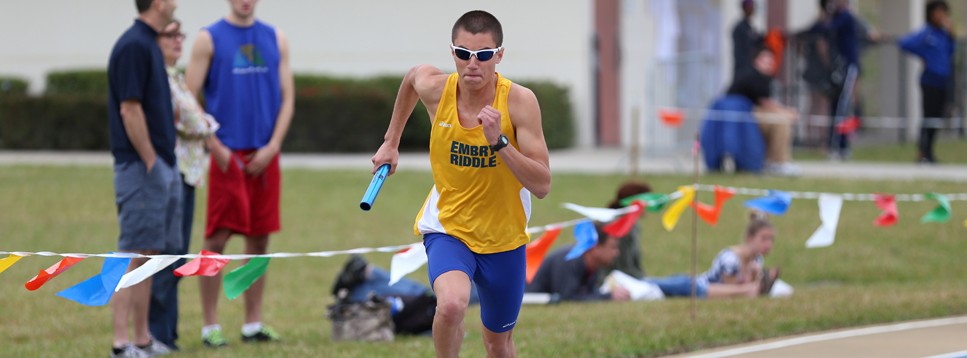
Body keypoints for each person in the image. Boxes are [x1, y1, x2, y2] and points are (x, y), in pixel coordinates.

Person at [369, 10, 552, 358]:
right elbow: (411, 78)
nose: (473, 63)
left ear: (499, 56)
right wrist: (391, 143)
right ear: (452, 52)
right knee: (451, 305)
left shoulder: (519, 103)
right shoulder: (437, 89)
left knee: (498, 344)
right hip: (448, 226)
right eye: (463, 53)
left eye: (483, 55)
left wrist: (499, 142)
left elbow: (542, 184)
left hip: (504, 237)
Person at [184, 0, 294, 347]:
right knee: (217, 239)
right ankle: (209, 326)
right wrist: (213, 146)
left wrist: (274, 145)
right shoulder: (208, 38)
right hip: (226, 156)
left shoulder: (276, 38)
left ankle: (252, 324)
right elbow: (188, 99)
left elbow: (288, 96)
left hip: (265, 155)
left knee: (259, 240)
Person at [107, 0, 180, 357]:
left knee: (148, 254)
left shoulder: (148, 43)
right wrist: (151, 161)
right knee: (132, 252)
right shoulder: (134, 45)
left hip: (156, 167)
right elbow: (129, 108)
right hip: (139, 168)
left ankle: (142, 339)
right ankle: (121, 345)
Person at [148, 19, 220, 351]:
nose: (178, 41)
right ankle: (158, 334)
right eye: (170, 35)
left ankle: (168, 334)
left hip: (188, 176)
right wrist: (206, 123)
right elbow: (192, 120)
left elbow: (195, 118)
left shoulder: (175, 76)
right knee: (166, 257)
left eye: (180, 35)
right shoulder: (160, 78)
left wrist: (203, 121)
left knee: (176, 256)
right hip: (171, 176)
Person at [643, 212, 779, 299]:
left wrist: (760, 280)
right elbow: (730, 292)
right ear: (750, 238)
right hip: (694, 285)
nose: (768, 245)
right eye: (764, 239)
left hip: (703, 290)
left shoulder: (757, 260)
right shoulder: (731, 259)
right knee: (647, 285)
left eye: (771, 240)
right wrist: (752, 287)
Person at [725, 46, 801, 176]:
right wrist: (787, 112)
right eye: (765, 61)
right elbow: (765, 103)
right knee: (780, 122)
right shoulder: (754, 76)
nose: (768, 65)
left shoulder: (762, 77)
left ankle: (776, 159)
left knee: (782, 120)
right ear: (757, 61)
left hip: (749, 111)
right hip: (744, 113)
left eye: (770, 62)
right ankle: (777, 162)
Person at [899, 0, 955, 165]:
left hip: (943, 80)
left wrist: (951, 34)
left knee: (937, 117)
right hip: (929, 79)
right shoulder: (927, 33)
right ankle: (922, 152)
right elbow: (905, 43)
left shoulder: (944, 35)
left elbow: (951, 52)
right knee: (928, 116)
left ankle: (930, 151)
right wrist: (923, 54)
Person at [525, 223, 631, 302]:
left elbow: (589, 293)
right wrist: (609, 297)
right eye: (613, 247)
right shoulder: (569, 259)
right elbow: (568, 298)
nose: (617, 253)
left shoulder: (593, 265)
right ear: (596, 247)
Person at [605, 181, 652, 278]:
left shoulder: (634, 225)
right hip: (622, 281)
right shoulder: (623, 227)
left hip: (635, 277)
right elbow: (624, 267)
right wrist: (646, 282)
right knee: (684, 284)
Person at [732, 0, 762, 80]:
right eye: (750, 7)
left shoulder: (749, 28)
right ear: (745, 9)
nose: (752, 9)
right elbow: (740, 52)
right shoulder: (740, 28)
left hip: (749, 70)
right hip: (743, 71)